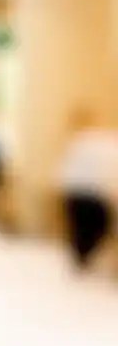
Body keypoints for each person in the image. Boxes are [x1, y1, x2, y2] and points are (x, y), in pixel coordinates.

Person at [58, 107, 118, 270]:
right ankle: (82, 259)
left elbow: (66, 170)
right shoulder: (105, 142)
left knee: (81, 227)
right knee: (95, 226)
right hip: (91, 193)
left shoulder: (84, 142)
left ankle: (81, 259)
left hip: (76, 191)